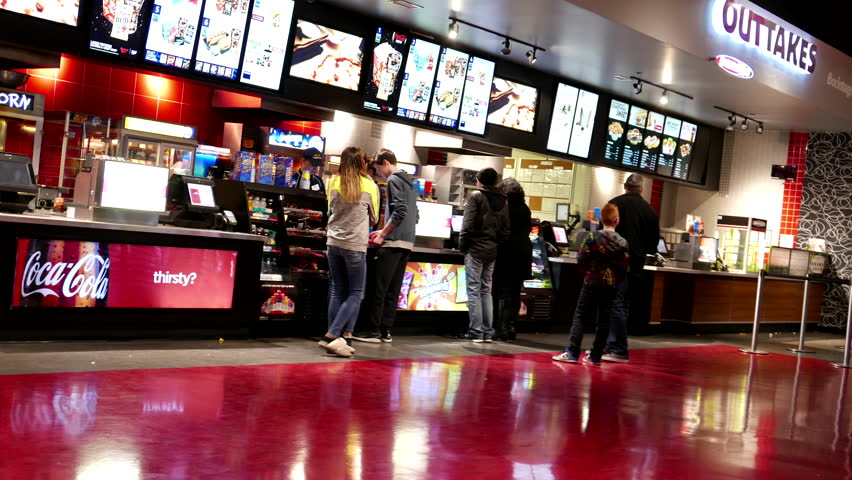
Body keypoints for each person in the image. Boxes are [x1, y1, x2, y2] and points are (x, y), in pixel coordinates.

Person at [353, 149, 418, 343]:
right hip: (407, 243)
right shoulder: (410, 183)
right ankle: (385, 331)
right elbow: (415, 214)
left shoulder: (394, 180)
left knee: (378, 289)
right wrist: (383, 229)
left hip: (392, 243)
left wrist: (383, 233)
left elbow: (400, 211)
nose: (379, 173)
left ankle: (372, 331)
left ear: (385, 163)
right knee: (393, 290)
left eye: (378, 168)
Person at [319, 147, 379, 357]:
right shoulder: (370, 185)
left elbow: (329, 211)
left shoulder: (334, 182)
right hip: (354, 245)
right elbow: (374, 219)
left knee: (337, 289)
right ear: (363, 163)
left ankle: (342, 338)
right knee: (356, 293)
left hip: (333, 243)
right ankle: (332, 334)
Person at [553, 203, 629, 366]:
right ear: (617, 220)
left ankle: (572, 352)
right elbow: (624, 267)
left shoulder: (592, 237)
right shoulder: (623, 243)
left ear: (601, 219)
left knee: (580, 316)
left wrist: (588, 272)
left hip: (592, 281)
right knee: (604, 319)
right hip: (610, 284)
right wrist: (616, 280)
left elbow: (581, 259)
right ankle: (595, 356)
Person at [602, 173, 660, 363]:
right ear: (642, 189)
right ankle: (612, 345)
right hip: (636, 263)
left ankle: (617, 348)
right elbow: (653, 244)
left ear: (625, 186)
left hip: (614, 260)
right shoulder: (649, 211)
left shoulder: (614, 204)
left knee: (614, 304)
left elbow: (604, 232)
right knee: (623, 304)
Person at [458, 167, 510, 342]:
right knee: (485, 290)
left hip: (475, 249)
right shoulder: (504, 201)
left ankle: (476, 331)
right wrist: (494, 243)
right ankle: (487, 332)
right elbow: (506, 230)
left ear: (480, 181)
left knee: (473, 290)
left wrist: (463, 245)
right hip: (492, 250)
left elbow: (467, 225)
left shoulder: (476, 196)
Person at [492, 178, 532, 341]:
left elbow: (500, 230)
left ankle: (498, 327)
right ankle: (510, 326)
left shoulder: (504, 207)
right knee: (514, 293)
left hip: (505, 252)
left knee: (499, 292)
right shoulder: (525, 208)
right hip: (522, 253)